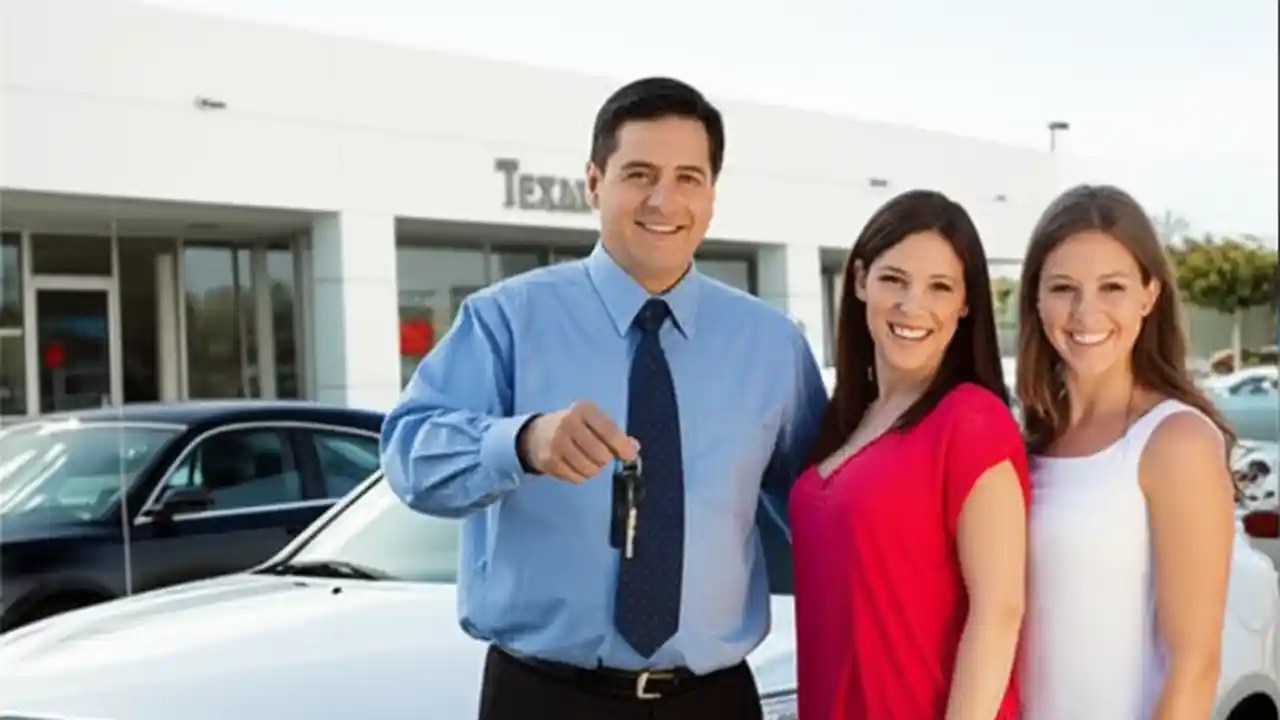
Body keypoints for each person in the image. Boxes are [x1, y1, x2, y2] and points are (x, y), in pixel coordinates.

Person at [379, 76, 827, 720]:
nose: (663, 200)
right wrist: (523, 442)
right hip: (544, 697)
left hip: (713, 700)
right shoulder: (506, 320)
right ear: (595, 182)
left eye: (688, 178)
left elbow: (821, 509)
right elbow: (408, 456)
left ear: (711, 195)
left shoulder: (772, 346)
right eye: (639, 173)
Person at [788, 190, 1029, 719]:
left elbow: (999, 611)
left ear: (965, 305)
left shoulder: (971, 420)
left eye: (939, 287)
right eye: (893, 279)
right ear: (859, 281)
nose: (912, 305)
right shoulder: (846, 422)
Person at [1016, 184, 1236, 719]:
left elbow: (1195, 665)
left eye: (1112, 287)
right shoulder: (1025, 442)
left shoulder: (1174, 441)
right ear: (1037, 299)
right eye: (1063, 287)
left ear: (1149, 295)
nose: (1085, 313)